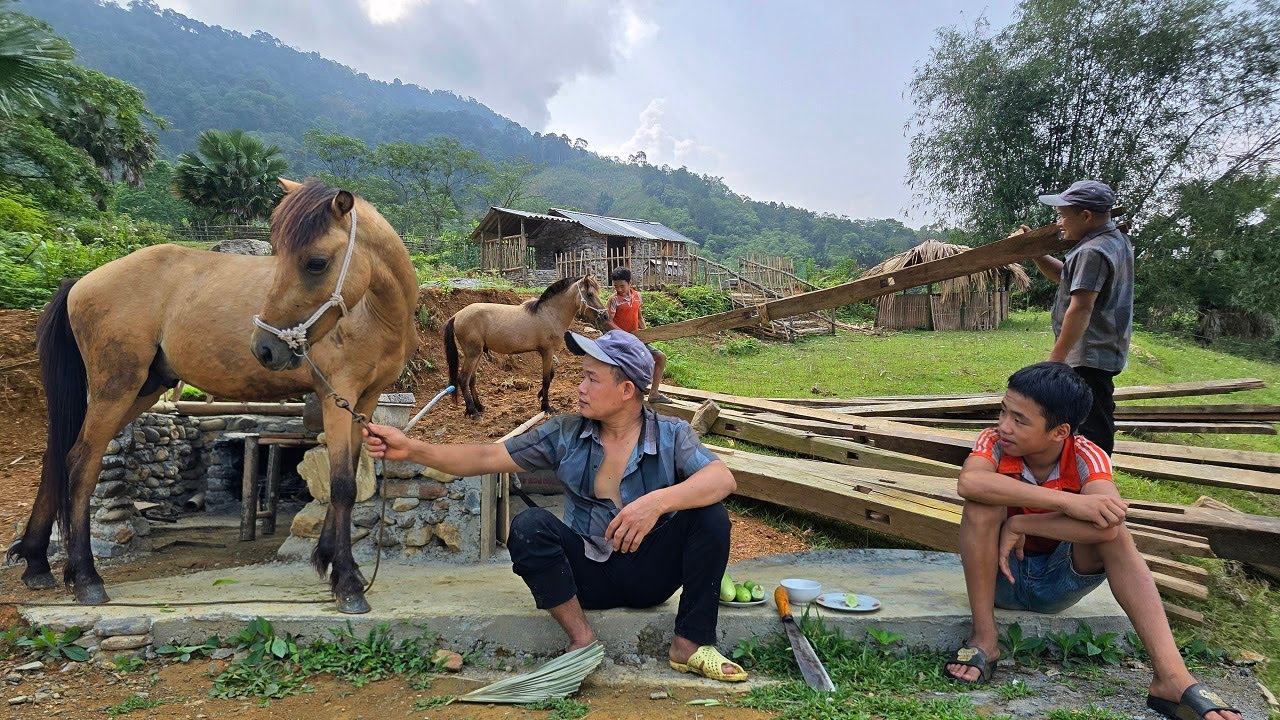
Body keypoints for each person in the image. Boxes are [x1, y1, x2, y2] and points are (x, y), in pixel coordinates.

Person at [363, 329, 748, 682]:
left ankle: (690, 645)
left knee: (710, 515)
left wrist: (654, 504)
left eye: (591, 379)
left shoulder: (671, 434)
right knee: (529, 526)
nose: (579, 387)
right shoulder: (566, 433)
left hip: (652, 576)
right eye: (582, 375)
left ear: (627, 389)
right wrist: (412, 448)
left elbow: (721, 479)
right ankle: (582, 639)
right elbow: (485, 457)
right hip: (586, 579)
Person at [944, 362, 1242, 720]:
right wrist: (1068, 501)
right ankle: (984, 638)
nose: (1004, 425)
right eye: (1003, 411)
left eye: (1020, 420)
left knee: (1116, 535)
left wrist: (1023, 522)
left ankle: (1171, 677)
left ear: (1060, 432)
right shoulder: (993, 443)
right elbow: (970, 484)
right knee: (981, 505)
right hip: (998, 579)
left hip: (1057, 584)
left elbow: (1109, 525)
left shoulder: (1087, 454)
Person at [1028, 180, 1133, 455]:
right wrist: (1035, 251)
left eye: (1064, 215)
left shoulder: (1091, 252)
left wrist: (1056, 358)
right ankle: (1082, 479)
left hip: (1089, 354)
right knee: (1089, 418)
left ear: (1086, 216)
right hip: (1103, 349)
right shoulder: (1114, 241)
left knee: (1092, 426)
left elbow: (1081, 308)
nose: (1060, 223)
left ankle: (1094, 488)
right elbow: (1065, 276)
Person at [605, 266, 671, 404]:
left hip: (636, 338)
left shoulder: (637, 297)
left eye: (622, 286)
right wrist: (624, 336)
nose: (619, 289)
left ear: (630, 283)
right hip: (619, 341)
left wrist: (647, 333)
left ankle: (654, 393)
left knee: (660, 357)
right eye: (616, 286)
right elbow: (608, 322)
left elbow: (639, 317)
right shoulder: (613, 300)